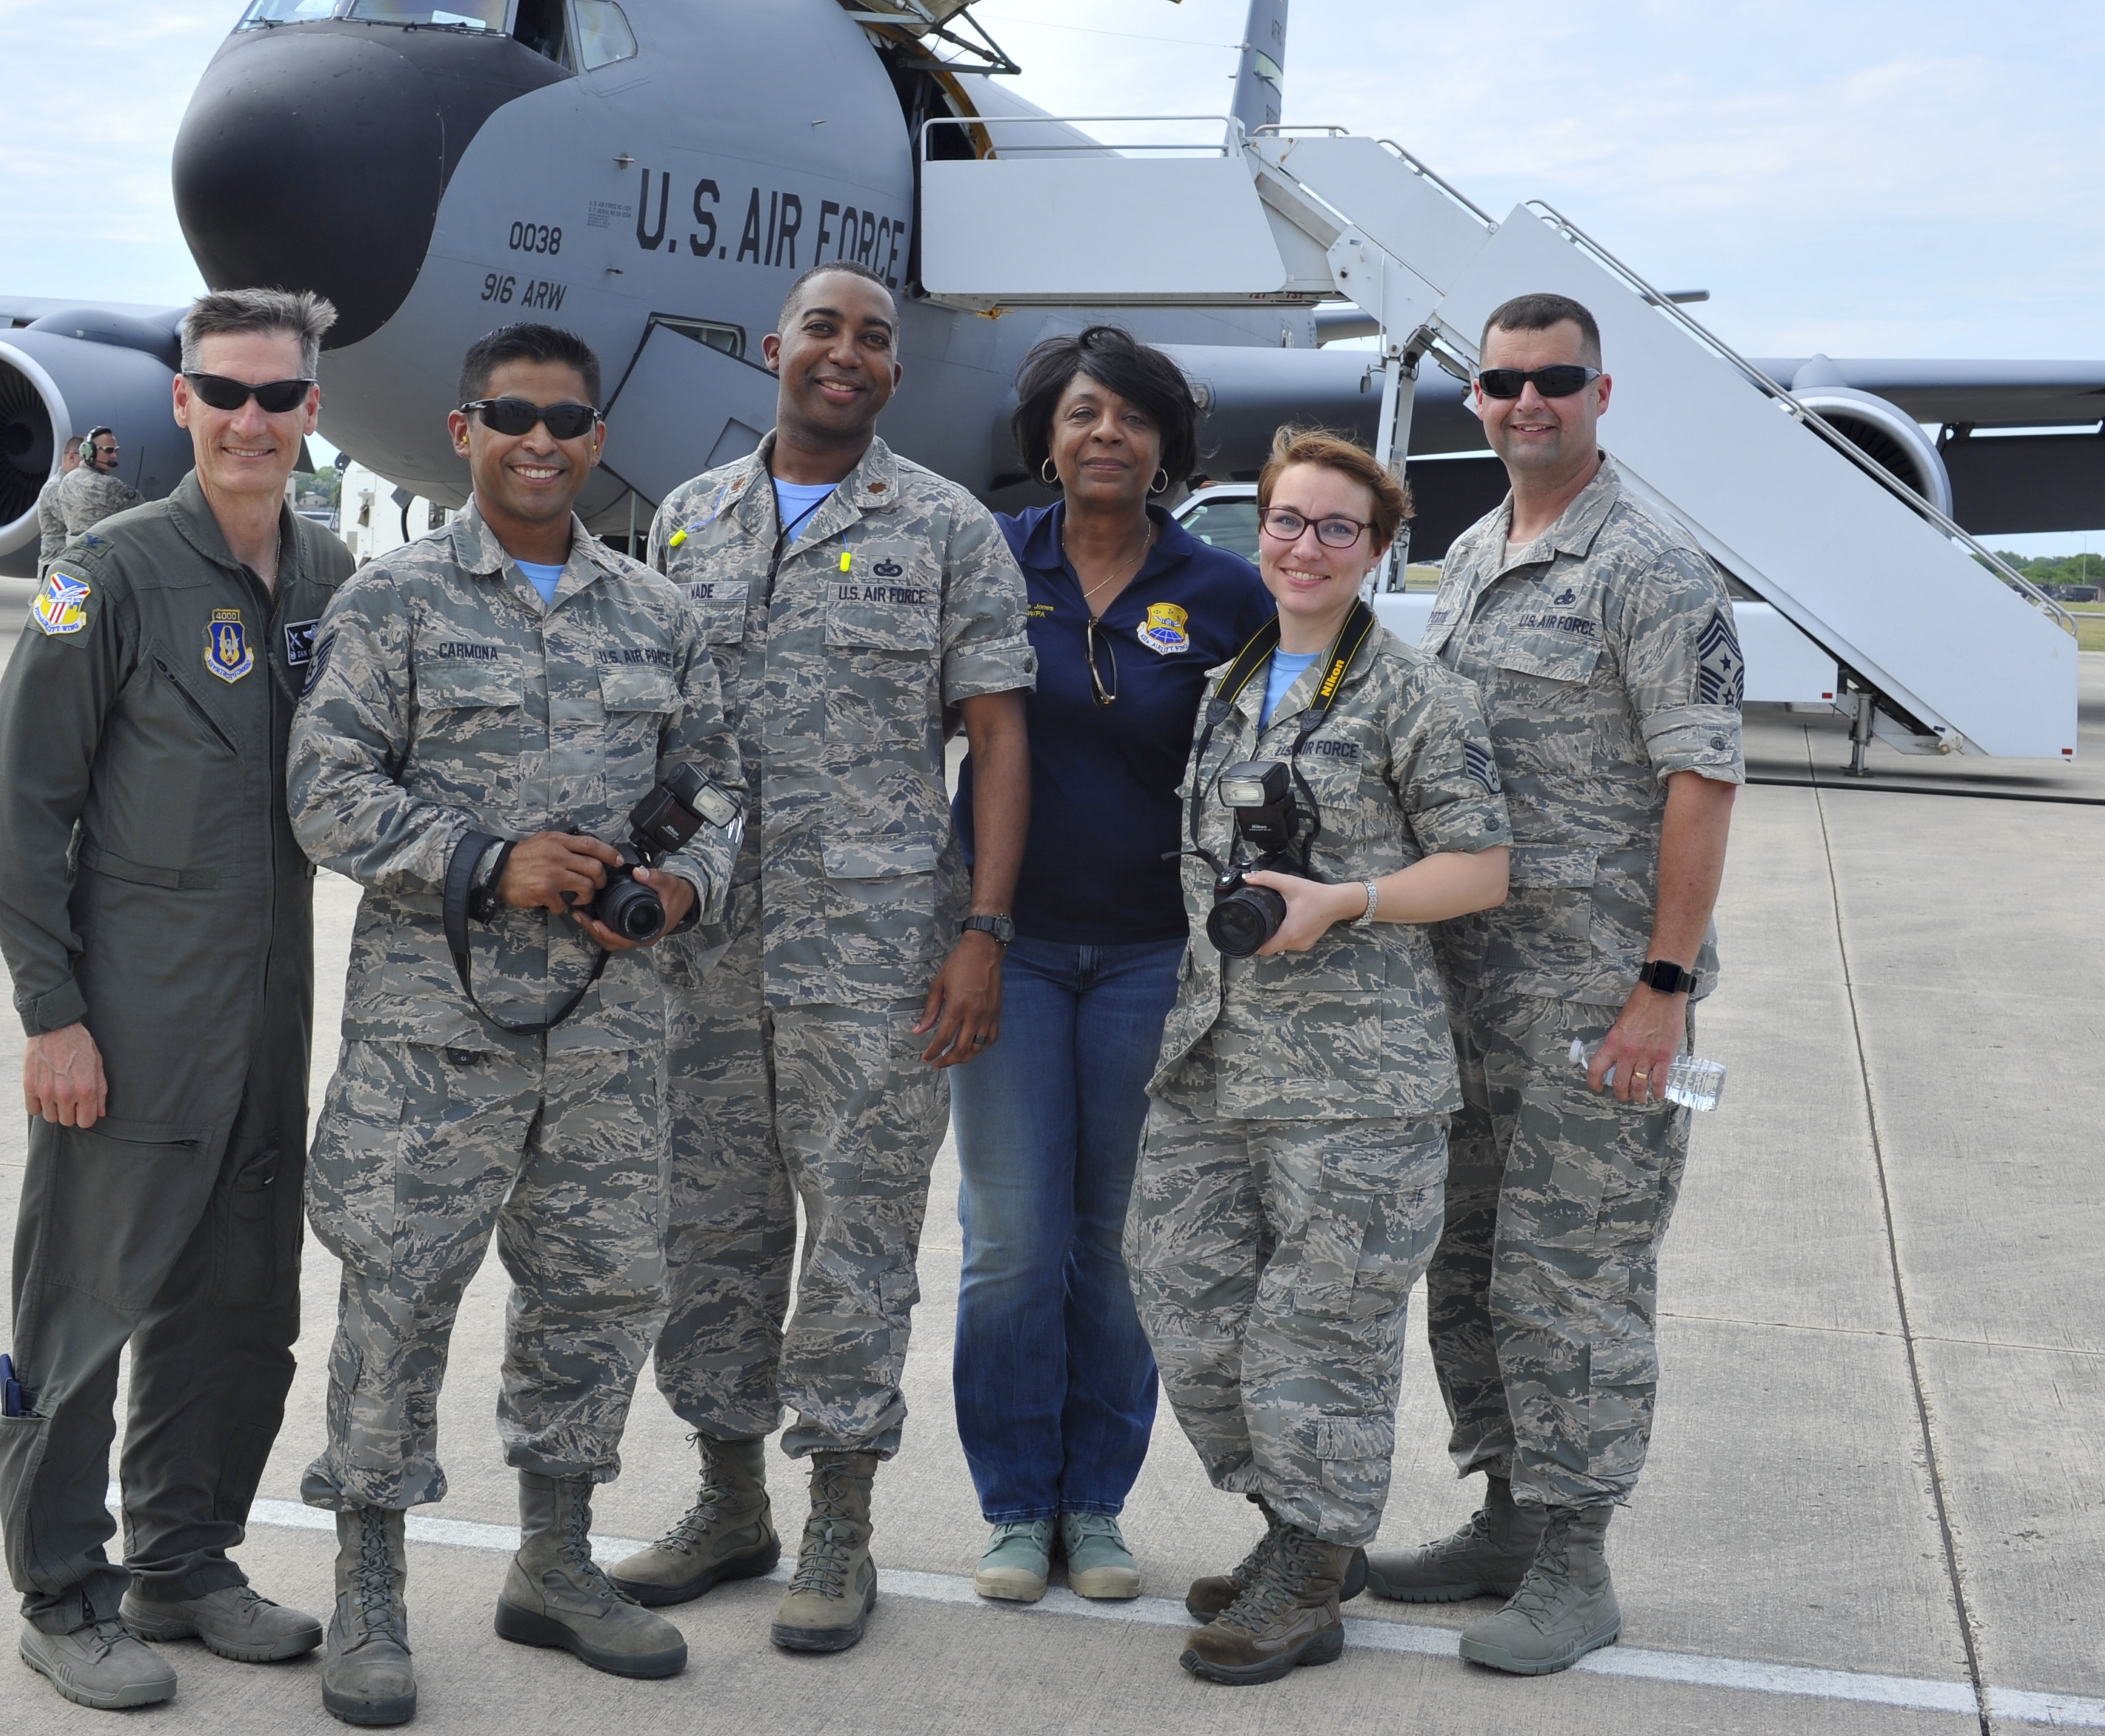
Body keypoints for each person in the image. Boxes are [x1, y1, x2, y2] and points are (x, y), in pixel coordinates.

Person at [286, 321, 743, 1725]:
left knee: (598, 1293)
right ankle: (368, 1594)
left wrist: (670, 888)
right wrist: (486, 858)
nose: (539, 441)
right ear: (462, 429)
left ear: (596, 439)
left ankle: (552, 1561)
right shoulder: (395, 603)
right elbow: (323, 791)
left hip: (607, 1037)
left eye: (564, 420)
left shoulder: (659, 617)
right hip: (433, 1041)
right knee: (400, 1298)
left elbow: (721, 791)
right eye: (512, 416)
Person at [611, 261, 1034, 1656]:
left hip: (875, 962)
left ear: (891, 376)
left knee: (857, 1253)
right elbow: (656, 735)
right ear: (771, 348)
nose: (843, 355)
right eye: (821, 331)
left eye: (871, 339)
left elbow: (997, 735)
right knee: (709, 1242)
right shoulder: (686, 520)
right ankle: (729, 1501)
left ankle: (837, 1525)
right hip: (705, 965)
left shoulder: (943, 528)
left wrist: (980, 930)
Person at [0, 289, 355, 1712]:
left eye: (277, 395)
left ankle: (185, 1564)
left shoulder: (329, 576)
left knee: (240, 1304)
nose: (250, 418)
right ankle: (61, 1593)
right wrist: (49, 1015)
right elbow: (17, 817)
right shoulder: (110, 575)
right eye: (224, 391)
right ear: (182, 403)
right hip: (127, 1022)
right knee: (83, 1307)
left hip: (269, 1015)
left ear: (315, 415)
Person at [1363, 291, 1742, 1677]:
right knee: (1462, 1265)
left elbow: (1698, 788)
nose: (1525, 403)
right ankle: (1507, 1519)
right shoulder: (1470, 551)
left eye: (1553, 381)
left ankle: (1577, 1563)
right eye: (1501, 383)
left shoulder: (1647, 569)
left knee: (1568, 1280)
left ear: (1598, 392)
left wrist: (1661, 986)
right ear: (1473, 397)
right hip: (1470, 1003)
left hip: (1602, 1011)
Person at [1127, 428, 1511, 1687]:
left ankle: (1309, 1561)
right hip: (1215, 1052)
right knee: (1182, 1293)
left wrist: (1342, 898)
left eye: (1335, 527)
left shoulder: (1417, 697)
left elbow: (1481, 868)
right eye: (1285, 521)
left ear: (1377, 546)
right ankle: (1302, 1520)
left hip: (1360, 1076)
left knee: (1320, 1334)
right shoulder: (1230, 684)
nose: (1302, 546)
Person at [946, 326, 1269, 1606]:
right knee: (1013, 1239)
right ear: (1047, 433)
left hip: (1153, 959)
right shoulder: (986, 561)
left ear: (1165, 445)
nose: (1107, 437)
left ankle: (1099, 1504)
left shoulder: (1225, 589)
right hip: (1007, 953)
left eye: (1134, 419)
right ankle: (1017, 1505)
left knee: (1121, 1240)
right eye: (1085, 414)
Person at [37, 426, 143, 569]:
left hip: (68, 562)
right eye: (109, 450)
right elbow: (141, 511)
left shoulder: (67, 481)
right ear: (89, 451)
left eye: (116, 451)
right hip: (95, 563)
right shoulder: (110, 486)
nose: (114, 456)